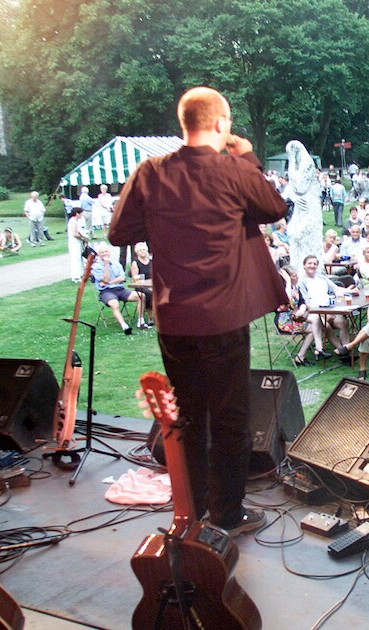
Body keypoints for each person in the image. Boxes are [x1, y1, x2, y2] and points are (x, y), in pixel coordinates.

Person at [109, 86, 287, 535]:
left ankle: (194, 510)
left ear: (183, 125)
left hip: (173, 319)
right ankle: (227, 513)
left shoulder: (150, 172)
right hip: (223, 317)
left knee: (187, 415)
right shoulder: (233, 170)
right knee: (229, 418)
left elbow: (119, 232)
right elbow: (273, 206)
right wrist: (247, 158)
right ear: (222, 125)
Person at [294, 254, 353, 365]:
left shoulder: (321, 277)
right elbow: (306, 304)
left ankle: (346, 348)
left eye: (314, 264)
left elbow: (335, 289)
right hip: (314, 313)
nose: (312, 266)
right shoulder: (302, 282)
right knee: (326, 326)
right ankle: (343, 352)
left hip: (329, 309)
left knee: (343, 322)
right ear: (304, 266)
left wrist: (350, 291)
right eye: (309, 263)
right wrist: (323, 314)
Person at [92, 246, 148, 333]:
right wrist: (106, 265)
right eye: (102, 252)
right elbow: (105, 279)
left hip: (120, 289)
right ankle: (124, 326)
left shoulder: (116, 264)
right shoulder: (96, 267)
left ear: (109, 253)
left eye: (106, 251)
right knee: (115, 304)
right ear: (99, 255)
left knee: (141, 296)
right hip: (106, 292)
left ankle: (141, 321)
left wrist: (109, 282)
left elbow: (122, 278)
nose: (104, 254)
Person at [128, 241, 154, 324]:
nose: (143, 252)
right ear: (137, 252)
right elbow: (135, 279)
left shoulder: (151, 261)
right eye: (140, 250)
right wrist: (146, 285)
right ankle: (151, 317)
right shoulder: (135, 263)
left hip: (153, 284)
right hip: (141, 286)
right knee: (149, 293)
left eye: (144, 250)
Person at [67, 207, 91, 280]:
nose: (81, 215)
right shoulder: (73, 221)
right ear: (77, 214)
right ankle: (76, 276)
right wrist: (83, 237)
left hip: (78, 243)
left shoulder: (76, 221)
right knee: (76, 259)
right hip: (74, 243)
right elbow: (74, 234)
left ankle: (80, 274)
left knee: (79, 258)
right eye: (81, 214)